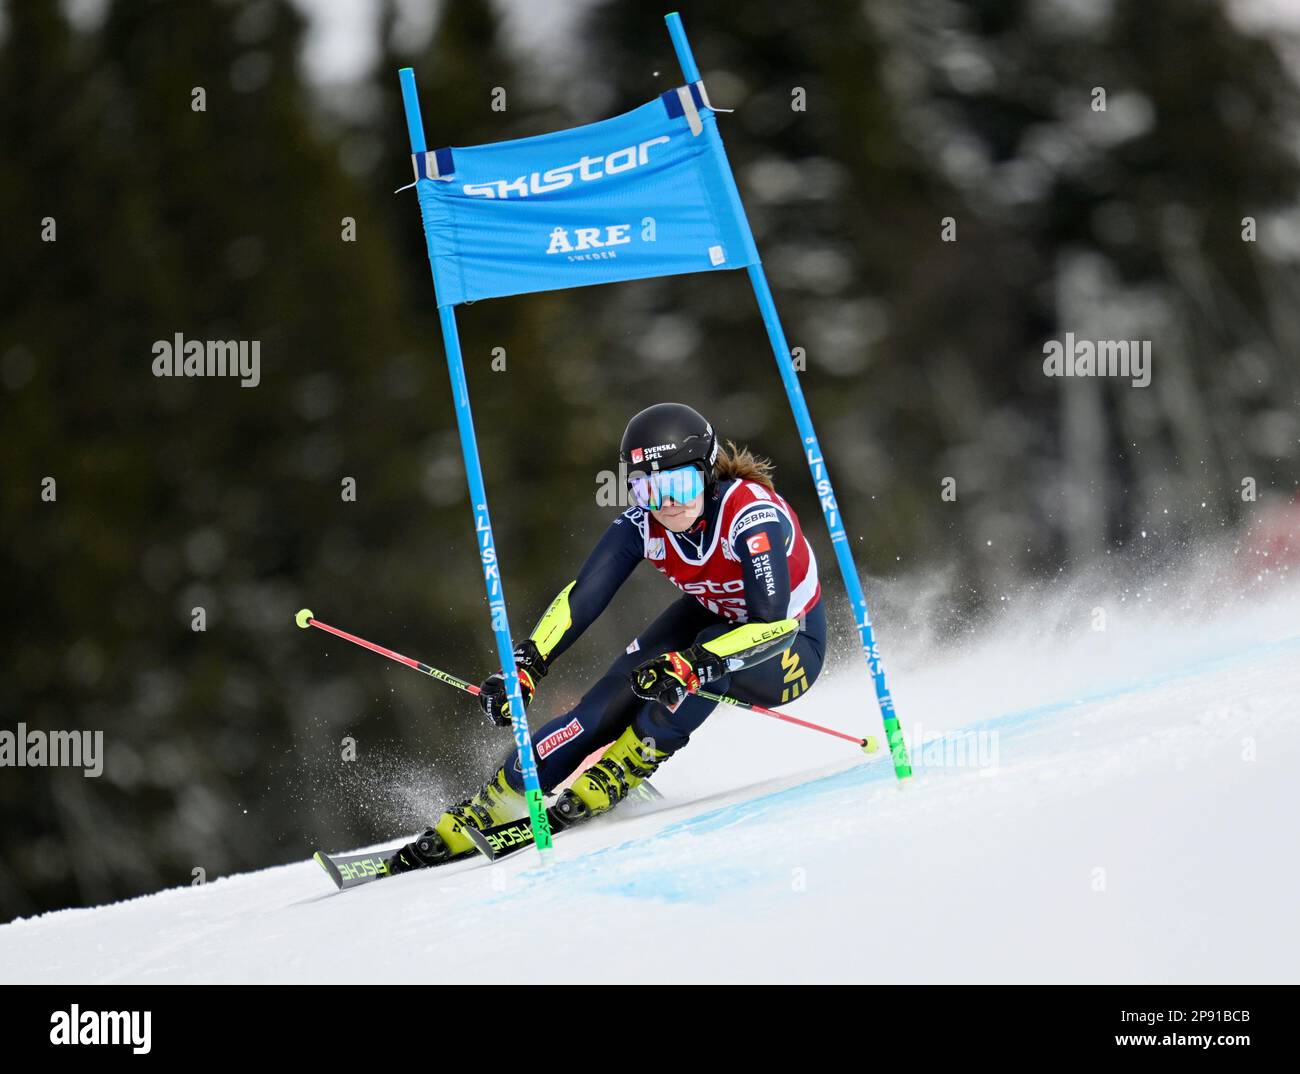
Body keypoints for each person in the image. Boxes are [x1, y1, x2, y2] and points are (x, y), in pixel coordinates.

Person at [389, 402, 825, 871]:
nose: (666, 503)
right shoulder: (643, 522)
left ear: (707, 471)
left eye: (677, 484)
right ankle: (500, 797)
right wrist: (528, 664)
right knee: (602, 706)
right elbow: (582, 598)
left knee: (701, 657)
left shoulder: (750, 515)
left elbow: (771, 624)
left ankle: (624, 766)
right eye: (646, 488)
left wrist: (693, 664)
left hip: (789, 648)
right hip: (709, 621)